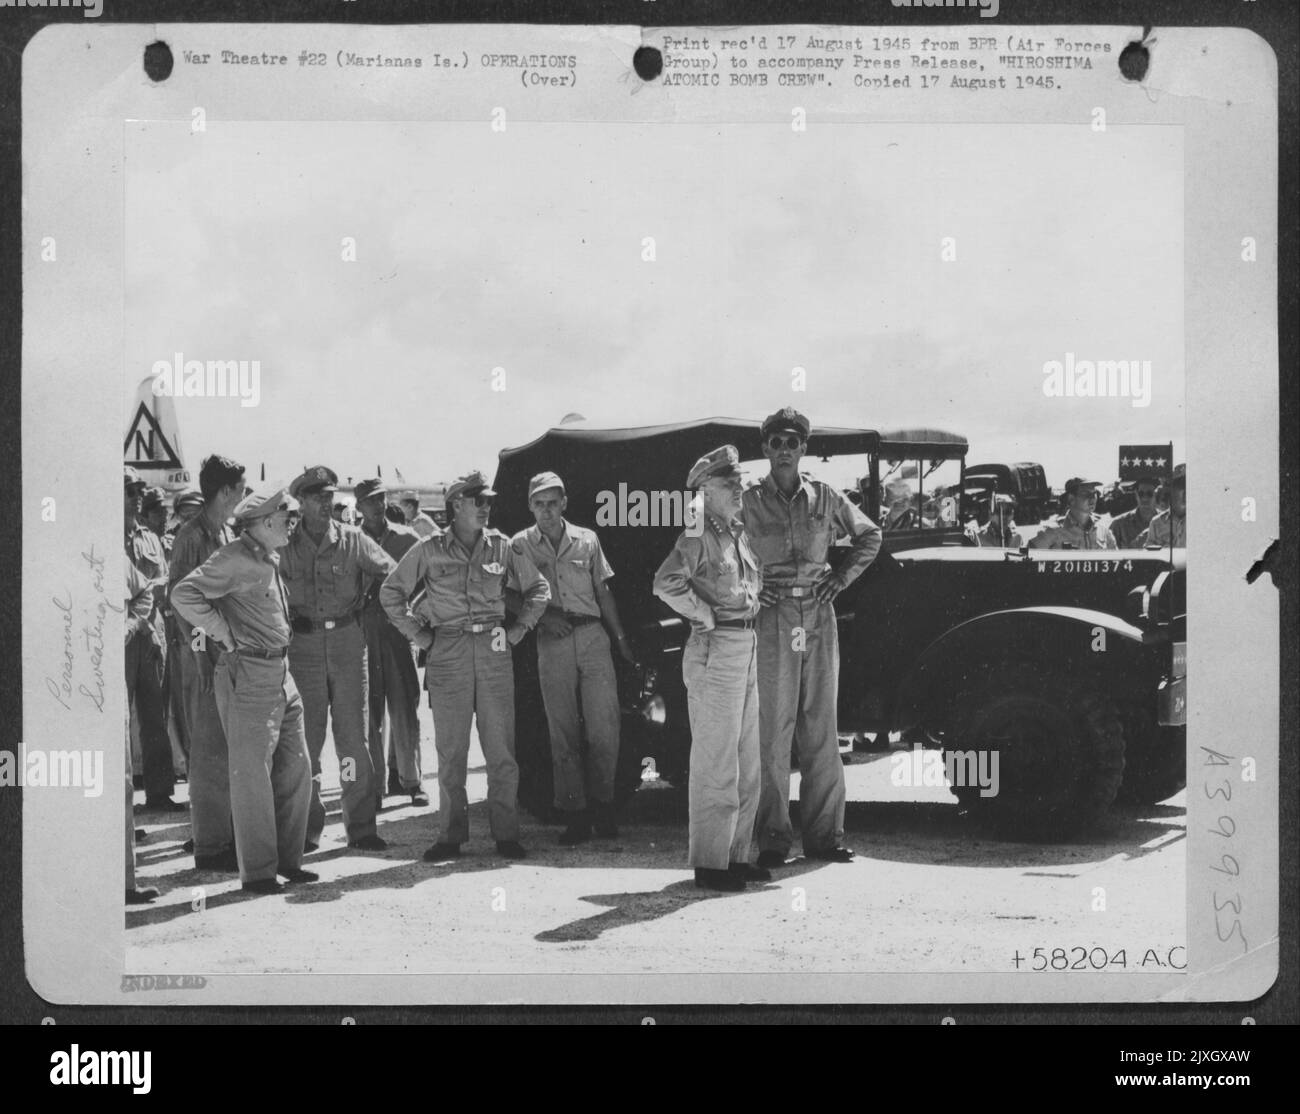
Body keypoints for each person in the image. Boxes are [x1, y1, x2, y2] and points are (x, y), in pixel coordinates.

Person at [381, 470, 550, 861]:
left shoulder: (502, 547)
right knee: (451, 751)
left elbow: (539, 590)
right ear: (456, 505)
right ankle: (451, 836)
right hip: (448, 651)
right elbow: (391, 592)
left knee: (501, 750)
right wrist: (419, 636)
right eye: (479, 501)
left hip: (493, 649)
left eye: (489, 501)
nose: (486, 507)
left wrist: (518, 630)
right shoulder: (429, 548)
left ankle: (506, 835)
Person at [741, 408, 882, 870]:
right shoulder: (747, 501)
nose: (784, 450)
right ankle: (773, 840)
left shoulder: (824, 496)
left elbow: (870, 535)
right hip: (773, 614)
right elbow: (721, 549)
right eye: (776, 442)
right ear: (765, 449)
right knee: (773, 731)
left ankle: (824, 837)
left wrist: (841, 579)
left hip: (818, 615)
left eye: (793, 442)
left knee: (821, 728)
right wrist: (747, 588)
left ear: (804, 448)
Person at [170, 486, 317, 895]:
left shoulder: (265, 556)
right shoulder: (234, 557)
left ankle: (288, 861)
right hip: (249, 673)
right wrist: (223, 633)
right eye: (286, 518)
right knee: (252, 775)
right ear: (266, 522)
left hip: (279, 671)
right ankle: (258, 873)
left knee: (296, 768)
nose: (291, 524)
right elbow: (183, 594)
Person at [654, 445, 766, 892]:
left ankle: (736, 856)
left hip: (745, 643)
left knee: (746, 759)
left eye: (738, 481)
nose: (739, 489)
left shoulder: (734, 532)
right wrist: (701, 613)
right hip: (716, 647)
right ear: (705, 490)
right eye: (729, 484)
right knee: (716, 760)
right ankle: (711, 863)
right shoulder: (697, 531)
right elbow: (665, 582)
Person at [512, 471, 635, 845]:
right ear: (530, 506)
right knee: (561, 729)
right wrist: (543, 616)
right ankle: (575, 812)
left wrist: (621, 641)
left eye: (553, 503)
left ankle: (603, 805)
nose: (546, 511)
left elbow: (603, 590)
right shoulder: (520, 545)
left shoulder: (587, 539)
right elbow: (505, 594)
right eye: (539, 504)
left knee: (605, 726)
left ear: (564, 503)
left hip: (592, 636)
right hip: (553, 640)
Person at [281, 465, 396, 853]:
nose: (325, 503)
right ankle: (307, 829)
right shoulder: (284, 544)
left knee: (352, 739)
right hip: (303, 646)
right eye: (317, 497)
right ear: (301, 501)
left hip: (348, 642)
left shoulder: (352, 538)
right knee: (306, 741)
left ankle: (360, 828)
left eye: (329, 496)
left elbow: (391, 573)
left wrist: (370, 599)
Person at [168, 455, 245, 871]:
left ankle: (229, 836)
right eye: (241, 489)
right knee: (209, 751)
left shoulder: (226, 530)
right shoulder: (191, 535)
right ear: (225, 491)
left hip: (226, 651)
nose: (243, 496)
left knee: (228, 746)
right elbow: (180, 601)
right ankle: (212, 846)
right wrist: (199, 653)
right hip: (202, 653)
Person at [353, 478, 428, 808]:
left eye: (381, 498)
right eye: (370, 500)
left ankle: (411, 781)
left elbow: (427, 582)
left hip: (398, 628)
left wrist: (416, 615)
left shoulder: (407, 538)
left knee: (405, 704)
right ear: (359, 507)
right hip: (363, 628)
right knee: (369, 710)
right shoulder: (351, 541)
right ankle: (375, 786)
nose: (377, 505)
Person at [124, 467, 180, 811]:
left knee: (154, 715)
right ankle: (122, 806)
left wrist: (145, 606)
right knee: (119, 721)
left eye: (139, 490)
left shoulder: (150, 539)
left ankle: (159, 794)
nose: (136, 496)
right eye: (130, 490)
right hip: (124, 637)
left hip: (151, 635)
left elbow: (161, 584)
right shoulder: (103, 533)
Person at [125, 562, 162, 905]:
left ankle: (123, 882)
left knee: (118, 775)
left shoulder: (105, 548)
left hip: (107, 664)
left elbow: (144, 590)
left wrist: (131, 624)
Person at [1028, 478, 1118, 550]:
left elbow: (1117, 563)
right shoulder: (1053, 530)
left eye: (1094, 494)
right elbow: (1027, 556)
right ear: (1071, 499)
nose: (1092, 498)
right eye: (1086, 494)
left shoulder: (1103, 531)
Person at [1137, 466, 1186, 547]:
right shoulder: (1156, 523)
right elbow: (1149, 556)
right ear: (1171, 490)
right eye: (1180, 486)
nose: (1186, 492)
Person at [1109, 475, 1160, 548]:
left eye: (1149, 494)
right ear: (1136, 495)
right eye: (1141, 494)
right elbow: (1109, 554)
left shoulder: (1166, 522)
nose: (1145, 498)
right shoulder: (1119, 525)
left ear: (1156, 495)